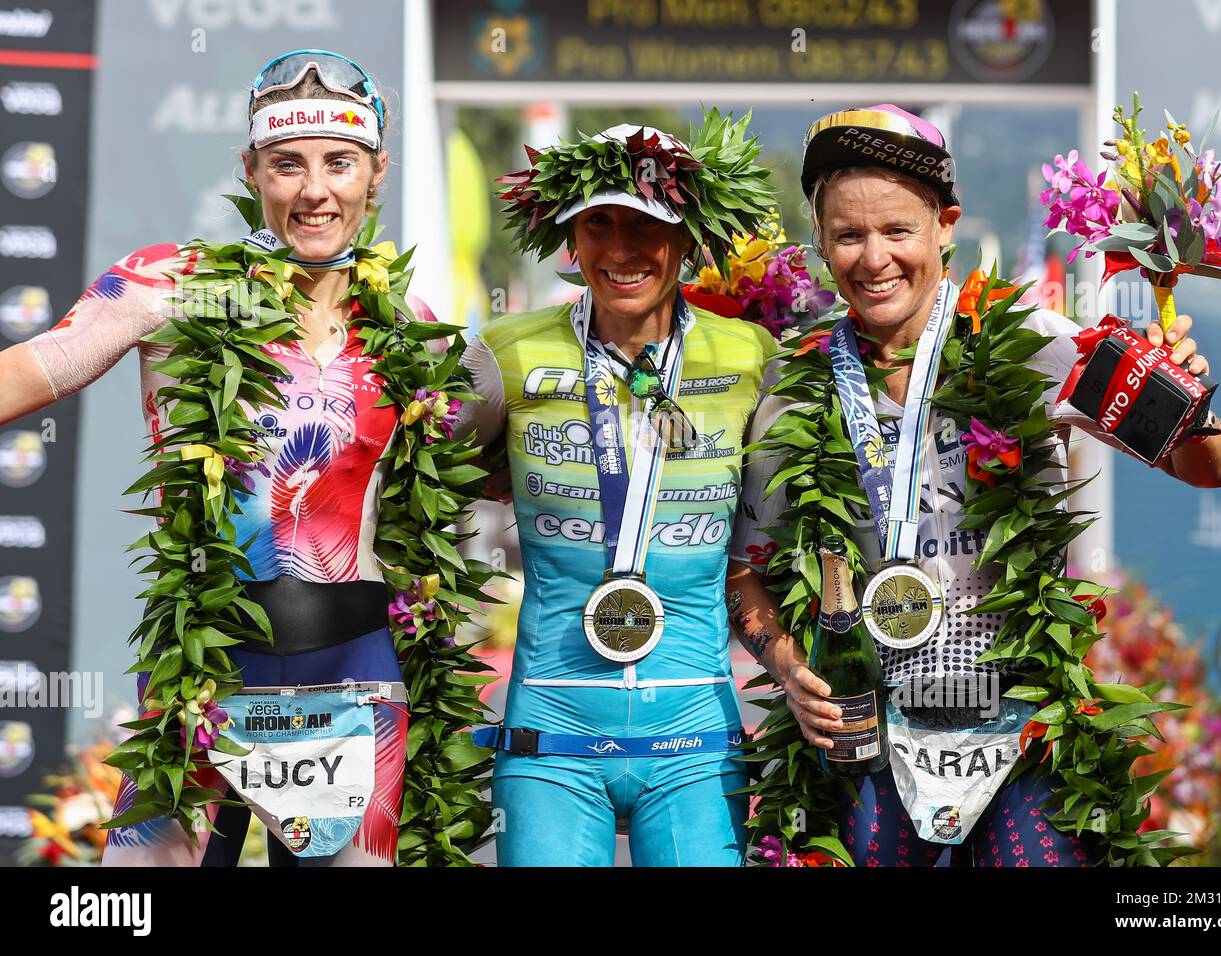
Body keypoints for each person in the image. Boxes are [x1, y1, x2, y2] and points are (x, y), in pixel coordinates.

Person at [727, 105, 1221, 867]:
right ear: (823, 244)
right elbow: (746, 573)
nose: (874, 259)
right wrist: (789, 670)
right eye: (848, 235)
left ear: (945, 226)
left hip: (1019, 727)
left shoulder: (1035, 343)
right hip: (869, 731)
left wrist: (1186, 398)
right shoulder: (792, 389)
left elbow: (1208, 468)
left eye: (897, 231)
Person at [0, 50, 437, 866]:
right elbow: (25, 373)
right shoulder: (171, 285)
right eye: (287, 164)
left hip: (355, 688)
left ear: (377, 173)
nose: (315, 190)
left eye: (340, 163)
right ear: (251, 170)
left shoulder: (408, 321)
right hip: (199, 681)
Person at [461, 116, 777, 866]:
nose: (623, 248)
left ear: (688, 236)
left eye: (647, 223)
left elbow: (771, 539)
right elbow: (412, 486)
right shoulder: (506, 353)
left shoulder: (749, 356)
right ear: (569, 239)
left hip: (696, 742)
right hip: (551, 742)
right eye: (598, 223)